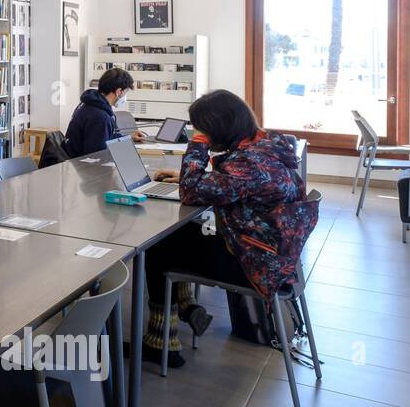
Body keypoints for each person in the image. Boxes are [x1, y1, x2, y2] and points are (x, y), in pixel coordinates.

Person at [140, 89, 317, 367]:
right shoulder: (266, 147)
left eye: (201, 128)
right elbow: (233, 183)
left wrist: (197, 146)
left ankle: (160, 342)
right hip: (276, 258)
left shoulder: (247, 163)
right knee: (179, 236)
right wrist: (199, 178)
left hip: (255, 265)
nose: (199, 133)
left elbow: (190, 193)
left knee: (159, 249)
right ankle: (186, 306)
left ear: (216, 127)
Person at [63, 68, 146, 158]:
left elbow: (106, 137)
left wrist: (128, 138)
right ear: (118, 92)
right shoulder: (100, 117)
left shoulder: (89, 103)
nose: (125, 96)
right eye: (125, 92)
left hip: (74, 161)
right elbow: (97, 155)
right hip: (82, 167)